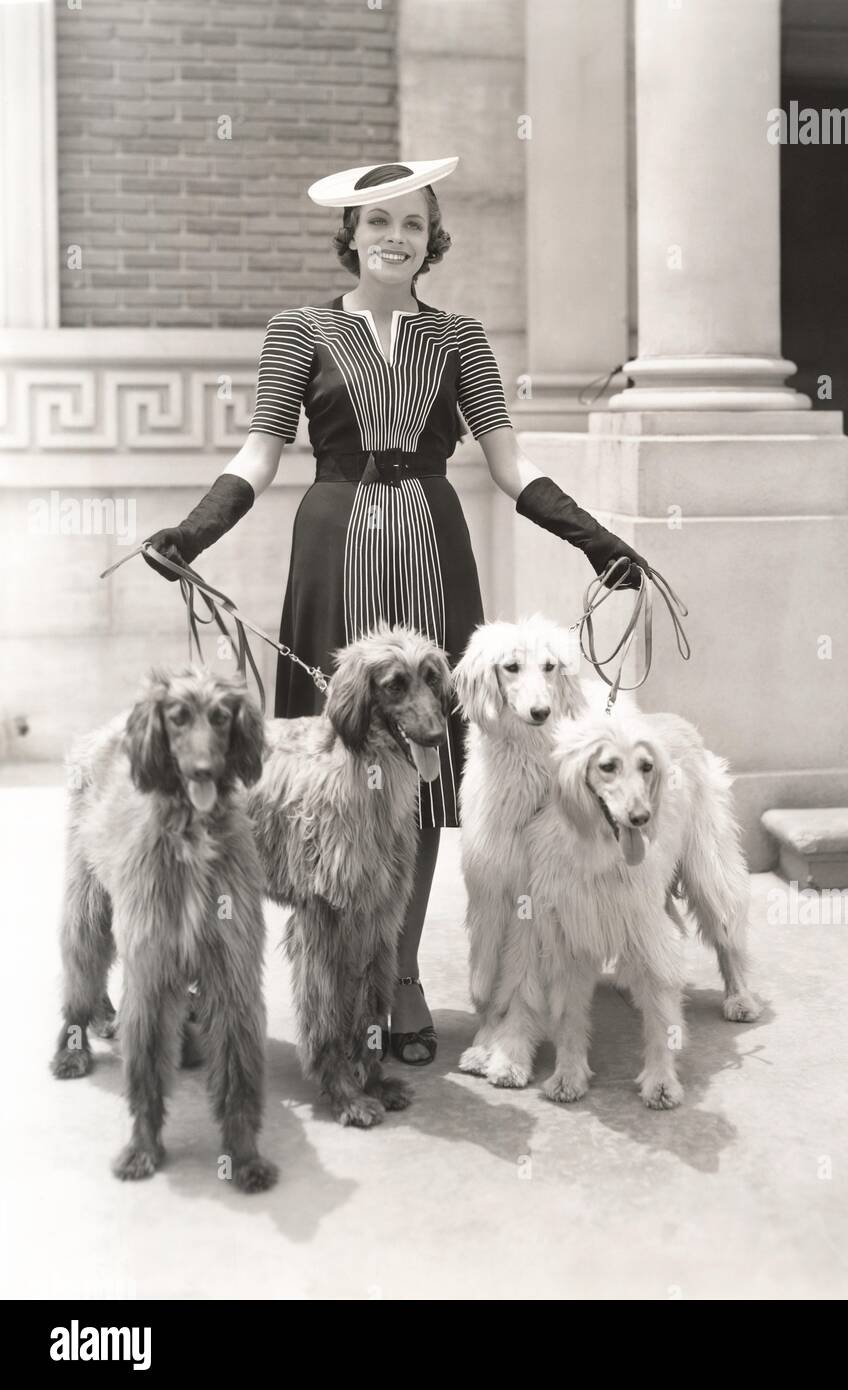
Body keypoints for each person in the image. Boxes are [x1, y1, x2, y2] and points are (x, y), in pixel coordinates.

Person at [142, 157, 653, 1065]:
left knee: (421, 760)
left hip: (430, 545)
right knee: (326, 772)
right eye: (377, 224)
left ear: (431, 237)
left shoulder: (459, 337)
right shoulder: (297, 332)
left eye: (412, 224)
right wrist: (193, 531)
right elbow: (260, 455)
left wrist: (596, 539)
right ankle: (301, 976)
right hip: (333, 545)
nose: (394, 238)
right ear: (350, 236)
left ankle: (399, 978)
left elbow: (508, 463)